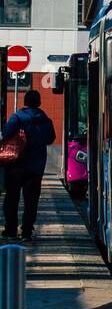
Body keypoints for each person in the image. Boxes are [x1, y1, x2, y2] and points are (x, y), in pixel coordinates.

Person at [3, 89, 57, 241]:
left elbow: (6, 134)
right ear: (39, 102)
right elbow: (50, 139)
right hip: (35, 166)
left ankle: (11, 229)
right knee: (31, 201)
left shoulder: (16, 117)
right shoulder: (45, 120)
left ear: (25, 102)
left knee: (12, 198)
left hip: (15, 164)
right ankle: (26, 231)